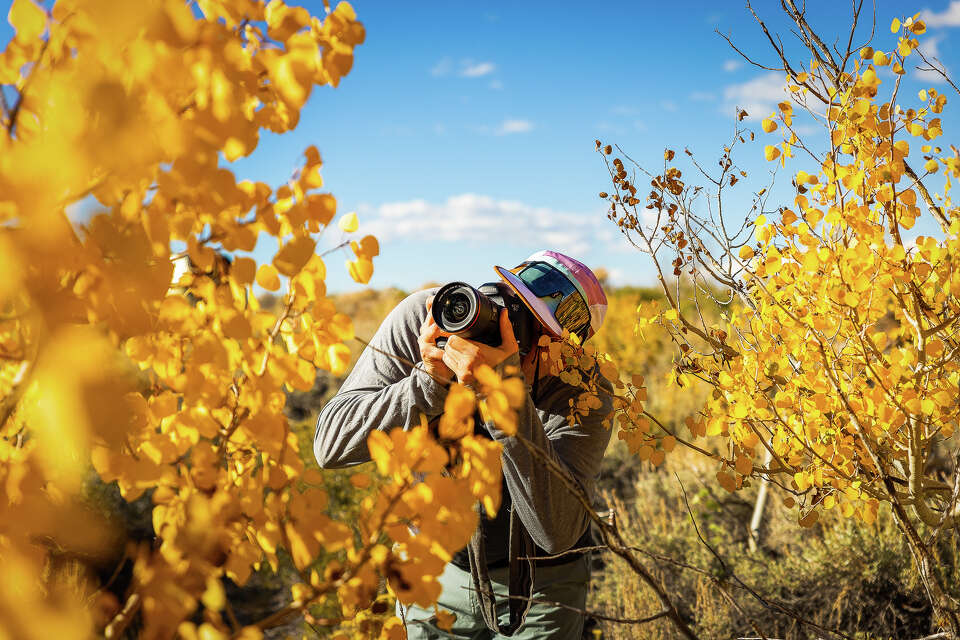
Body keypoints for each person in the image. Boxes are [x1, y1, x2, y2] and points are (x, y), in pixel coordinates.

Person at [314, 250, 612, 639]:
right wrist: (429, 383)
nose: (504, 327)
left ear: (563, 353)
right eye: (508, 302)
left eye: (533, 328)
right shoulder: (427, 319)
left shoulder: (582, 389)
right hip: (436, 566)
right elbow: (330, 445)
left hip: (543, 583)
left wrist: (504, 398)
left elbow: (555, 532)